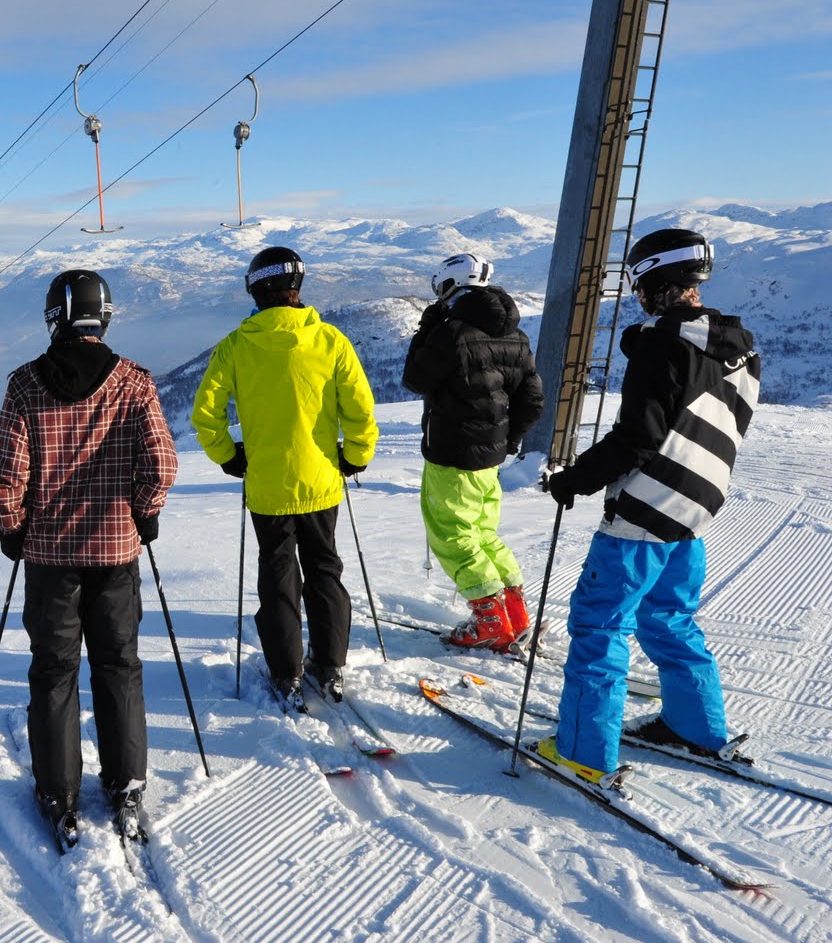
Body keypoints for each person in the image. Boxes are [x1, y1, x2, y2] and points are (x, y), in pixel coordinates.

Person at [540, 228, 761, 785]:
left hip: (643, 512)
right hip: (696, 509)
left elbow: (638, 436)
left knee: (599, 626)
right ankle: (696, 727)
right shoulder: (741, 344)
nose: (638, 298)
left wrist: (576, 479)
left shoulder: (664, 342)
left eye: (640, 287)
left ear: (656, 281)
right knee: (669, 616)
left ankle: (583, 752)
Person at [0, 268, 179, 851]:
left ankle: (58, 793)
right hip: (116, 551)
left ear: (54, 319)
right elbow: (162, 465)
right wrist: (143, 514)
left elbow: (6, 476)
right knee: (119, 666)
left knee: (54, 671)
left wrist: (12, 529)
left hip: (49, 558)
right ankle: (127, 786)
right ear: (106, 315)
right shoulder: (133, 383)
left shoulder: (25, 384)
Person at [190, 246, 378, 709]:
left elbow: (205, 414)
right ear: (298, 288)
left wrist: (228, 456)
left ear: (255, 289)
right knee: (324, 570)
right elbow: (359, 408)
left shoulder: (237, 345)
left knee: (277, 576)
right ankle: (330, 662)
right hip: (321, 480)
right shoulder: (331, 341)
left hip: (268, 485)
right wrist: (355, 456)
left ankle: (285, 669)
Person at [402, 252, 544, 652]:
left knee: (452, 535)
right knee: (482, 532)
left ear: (450, 287)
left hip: (452, 453)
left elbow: (415, 379)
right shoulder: (514, 333)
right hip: (490, 458)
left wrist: (426, 331)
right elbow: (532, 401)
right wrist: (508, 441)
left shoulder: (453, 332)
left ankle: (489, 622)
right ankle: (514, 614)